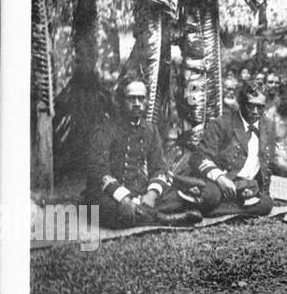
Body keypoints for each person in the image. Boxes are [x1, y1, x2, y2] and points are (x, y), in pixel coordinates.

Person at [83, 79, 201, 228]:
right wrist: (123, 198)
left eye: (141, 98)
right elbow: (98, 170)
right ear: (120, 100)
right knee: (110, 210)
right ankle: (165, 219)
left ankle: (142, 212)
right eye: (131, 98)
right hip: (110, 193)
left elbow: (159, 167)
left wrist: (151, 193)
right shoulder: (106, 128)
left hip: (140, 190)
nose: (137, 103)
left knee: (175, 198)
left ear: (146, 101)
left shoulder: (151, 130)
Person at [190, 84, 276, 216]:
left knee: (266, 204)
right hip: (219, 182)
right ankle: (223, 206)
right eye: (250, 105)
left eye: (260, 107)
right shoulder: (221, 123)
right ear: (241, 104)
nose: (255, 111)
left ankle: (215, 211)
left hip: (247, 185)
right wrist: (220, 178)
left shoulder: (268, 125)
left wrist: (260, 189)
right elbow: (198, 157)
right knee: (210, 197)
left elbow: (267, 163)